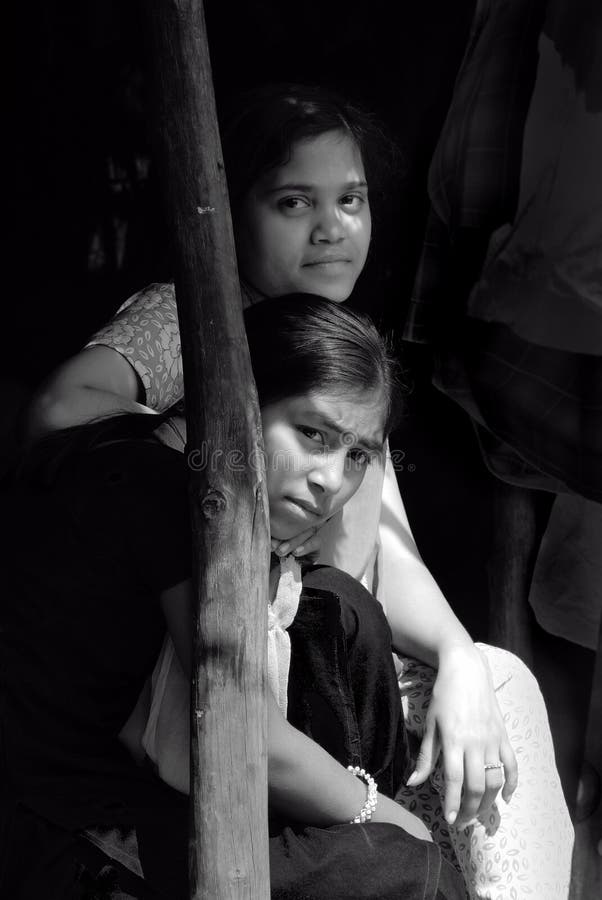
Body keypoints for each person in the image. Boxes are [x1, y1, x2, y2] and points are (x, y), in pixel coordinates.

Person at [25, 84, 573, 896]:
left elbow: (381, 551)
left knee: (493, 688)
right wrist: (221, 446)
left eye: (351, 199)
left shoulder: (345, 359)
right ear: (231, 211)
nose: (333, 228)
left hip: (308, 657)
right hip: (201, 687)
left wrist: (455, 652)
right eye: (294, 201)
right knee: (421, 825)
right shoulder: (201, 322)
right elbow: (62, 409)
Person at [1, 296, 466, 900]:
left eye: (357, 455)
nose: (332, 478)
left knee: (341, 609)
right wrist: (383, 818)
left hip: (133, 792)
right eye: (311, 433)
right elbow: (248, 728)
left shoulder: (178, 470)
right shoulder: (163, 491)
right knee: (414, 877)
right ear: (237, 400)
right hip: (70, 834)